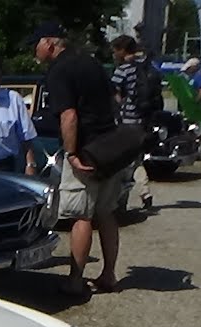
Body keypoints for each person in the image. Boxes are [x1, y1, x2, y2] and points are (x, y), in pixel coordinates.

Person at [28, 21, 122, 296]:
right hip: (110, 145)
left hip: (86, 149)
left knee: (81, 215)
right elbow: (116, 97)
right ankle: (109, 274)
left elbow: (69, 115)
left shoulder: (59, 70)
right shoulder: (90, 61)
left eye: (36, 45)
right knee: (106, 212)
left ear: (49, 43)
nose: (34, 50)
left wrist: (71, 153)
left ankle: (75, 280)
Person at [109, 35, 155, 211]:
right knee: (136, 160)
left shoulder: (122, 70)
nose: (114, 54)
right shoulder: (143, 67)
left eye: (115, 50)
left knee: (123, 162)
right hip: (141, 119)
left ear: (122, 50)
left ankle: (121, 201)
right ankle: (145, 193)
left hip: (126, 120)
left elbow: (114, 93)